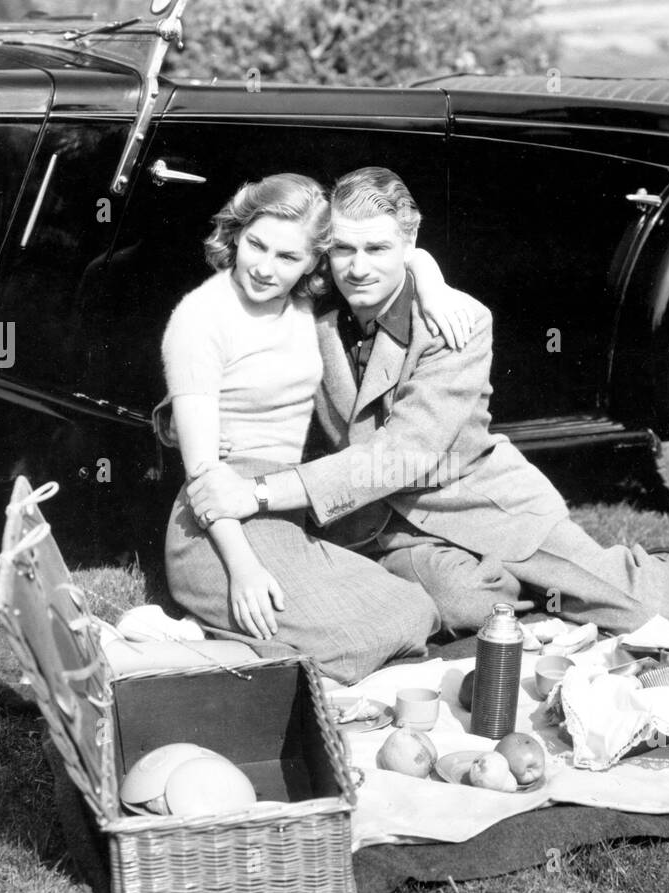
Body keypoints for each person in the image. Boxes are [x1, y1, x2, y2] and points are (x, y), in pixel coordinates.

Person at [184, 166, 669, 636]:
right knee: (468, 611)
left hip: (478, 501)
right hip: (381, 523)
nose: (358, 267)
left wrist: (257, 491)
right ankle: (520, 590)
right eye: (342, 250)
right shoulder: (312, 316)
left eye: (379, 249)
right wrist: (190, 423)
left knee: (640, 614)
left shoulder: (455, 322)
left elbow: (403, 456)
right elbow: (233, 362)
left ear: (409, 243)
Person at [156, 172, 477, 684]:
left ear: (314, 262)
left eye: (288, 258)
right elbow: (205, 480)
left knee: (414, 610)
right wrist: (243, 570)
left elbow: (394, 249)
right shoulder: (199, 319)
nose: (264, 268)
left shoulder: (304, 306)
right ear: (236, 234)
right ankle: (187, 644)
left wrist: (432, 286)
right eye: (256, 245)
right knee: (364, 639)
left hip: (280, 506)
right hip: (217, 524)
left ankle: (230, 637)